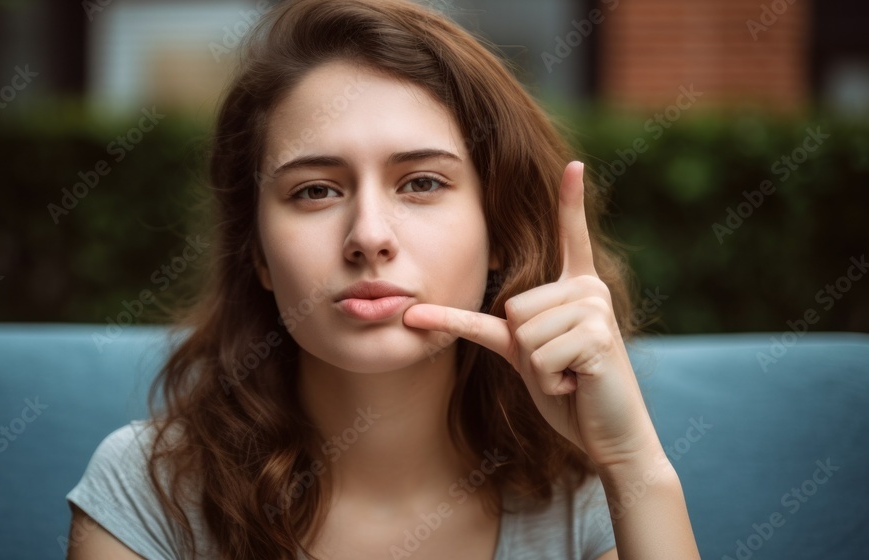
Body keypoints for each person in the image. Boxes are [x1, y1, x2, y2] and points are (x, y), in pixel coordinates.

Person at [66, 0, 701, 558]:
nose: (369, 235)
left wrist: (632, 464)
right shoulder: (149, 492)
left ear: (500, 234)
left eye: (421, 182)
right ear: (256, 252)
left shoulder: (592, 501)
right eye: (315, 190)